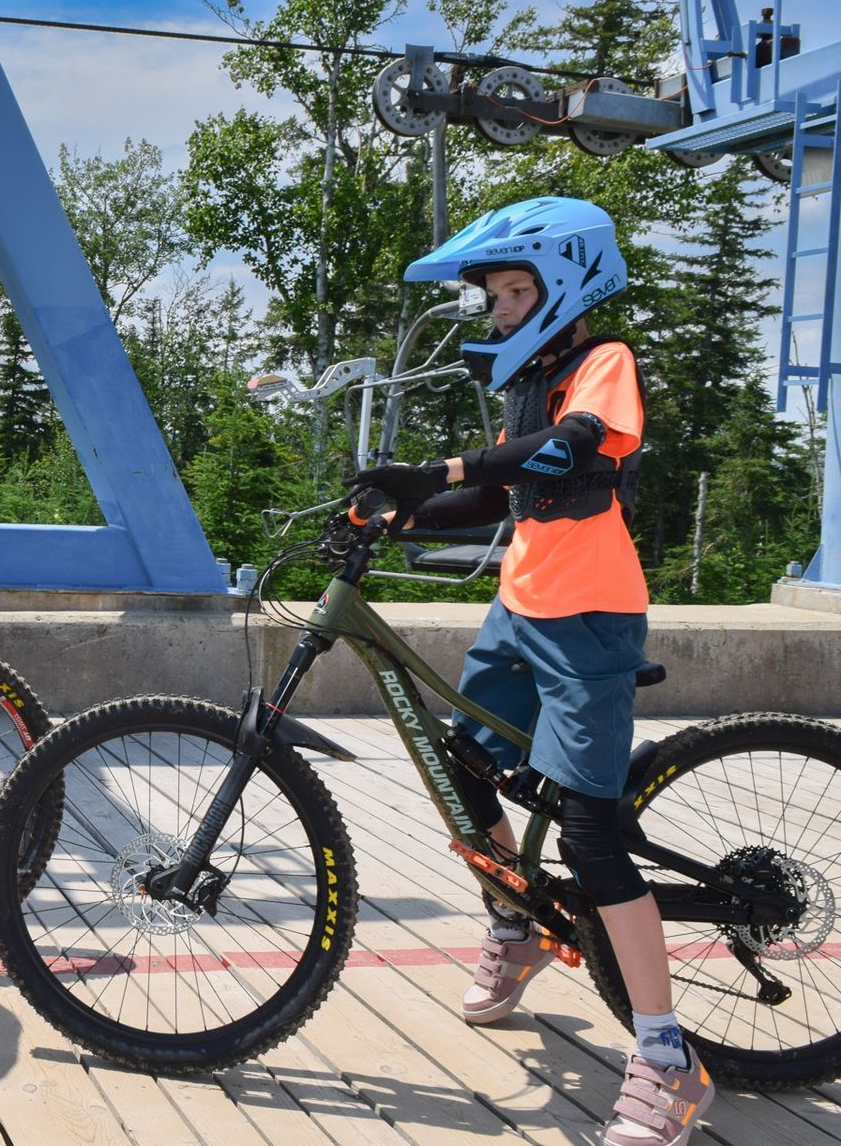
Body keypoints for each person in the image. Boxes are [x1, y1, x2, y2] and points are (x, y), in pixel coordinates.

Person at [349, 197, 712, 1146]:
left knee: (593, 838)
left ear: (566, 287)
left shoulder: (603, 364)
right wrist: (403, 510)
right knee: (462, 770)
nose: (501, 308)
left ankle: (668, 1056)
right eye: (497, 293)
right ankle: (518, 926)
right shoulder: (530, 381)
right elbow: (498, 490)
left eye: (517, 289)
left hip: (591, 619)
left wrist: (439, 466)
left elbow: (573, 448)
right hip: (519, 609)